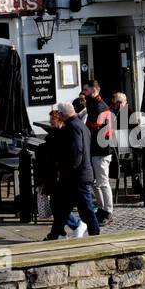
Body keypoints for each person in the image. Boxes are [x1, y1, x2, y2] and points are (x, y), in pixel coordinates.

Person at [44, 102, 99, 240]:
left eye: (60, 114)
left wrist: (66, 170)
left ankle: (96, 236)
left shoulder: (72, 127)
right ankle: (54, 235)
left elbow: (77, 153)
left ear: (63, 114)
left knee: (85, 210)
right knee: (61, 207)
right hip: (78, 175)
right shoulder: (81, 125)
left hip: (76, 176)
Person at [82, 80, 115, 225]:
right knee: (95, 183)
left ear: (94, 90)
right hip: (93, 149)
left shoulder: (102, 107)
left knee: (103, 182)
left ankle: (108, 212)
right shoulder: (91, 104)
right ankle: (101, 209)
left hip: (102, 151)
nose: (84, 92)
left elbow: (97, 129)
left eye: (86, 90)